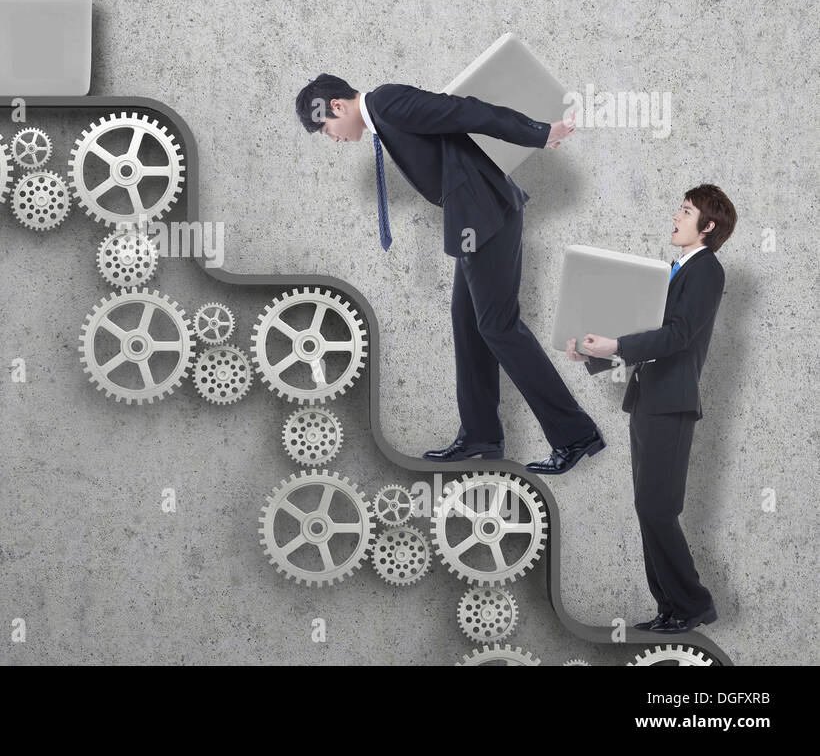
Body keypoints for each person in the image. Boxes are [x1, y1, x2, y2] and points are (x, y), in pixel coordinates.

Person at [295, 74, 605, 472]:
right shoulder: (383, 117)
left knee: (499, 328)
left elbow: (467, 111)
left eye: (326, 130)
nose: (334, 139)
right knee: (469, 322)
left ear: (336, 107)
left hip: (486, 216)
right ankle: (480, 435)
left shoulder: (387, 102)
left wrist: (539, 133)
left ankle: (575, 436)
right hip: (474, 222)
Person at [567, 184, 736, 633]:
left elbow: (677, 335)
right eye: (679, 208)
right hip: (648, 400)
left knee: (660, 508)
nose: (675, 216)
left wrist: (617, 344)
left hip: (671, 404)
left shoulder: (707, 271)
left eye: (685, 211)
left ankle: (693, 604)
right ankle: (669, 606)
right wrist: (597, 354)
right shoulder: (678, 269)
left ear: (708, 225)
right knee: (648, 507)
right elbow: (651, 331)